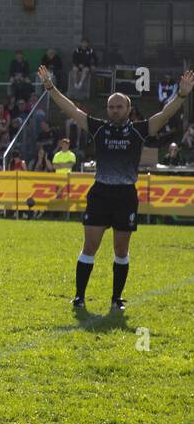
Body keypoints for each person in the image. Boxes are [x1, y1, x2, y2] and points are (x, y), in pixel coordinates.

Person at [39, 65, 194, 313]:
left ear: (128, 109)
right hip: (100, 193)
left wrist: (182, 95)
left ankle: (116, 299)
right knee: (90, 246)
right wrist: (50, 87)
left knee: (121, 249)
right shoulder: (99, 128)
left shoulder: (139, 130)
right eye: (111, 106)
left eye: (119, 106)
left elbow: (164, 115)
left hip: (125, 196)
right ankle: (79, 297)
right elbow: (71, 109)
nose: (114, 110)